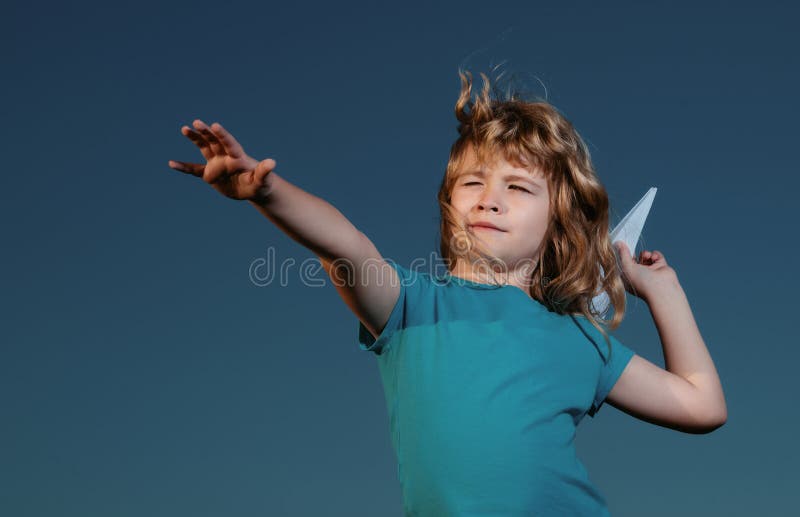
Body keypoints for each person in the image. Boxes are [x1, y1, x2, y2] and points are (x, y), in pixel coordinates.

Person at [168, 69, 727, 516]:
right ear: (448, 206)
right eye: (472, 182)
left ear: (559, 221)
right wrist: (268, 192)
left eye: (517, 187)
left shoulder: (582, 338)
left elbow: (701, 405)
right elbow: (348, 246)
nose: (489, 199)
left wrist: (664, 292)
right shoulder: (411, 307)